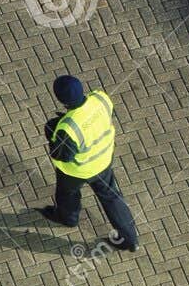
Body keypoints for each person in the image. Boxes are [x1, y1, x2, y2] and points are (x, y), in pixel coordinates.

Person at [40, 75, 139, 252]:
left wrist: (51, 133)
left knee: (67, 194)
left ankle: (68, 219)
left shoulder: (67, 128)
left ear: (61, 99)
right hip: (103, 161)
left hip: (77, 171)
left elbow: (62, 156)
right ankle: (130, 240)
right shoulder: (101, 98)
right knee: (112, 198)